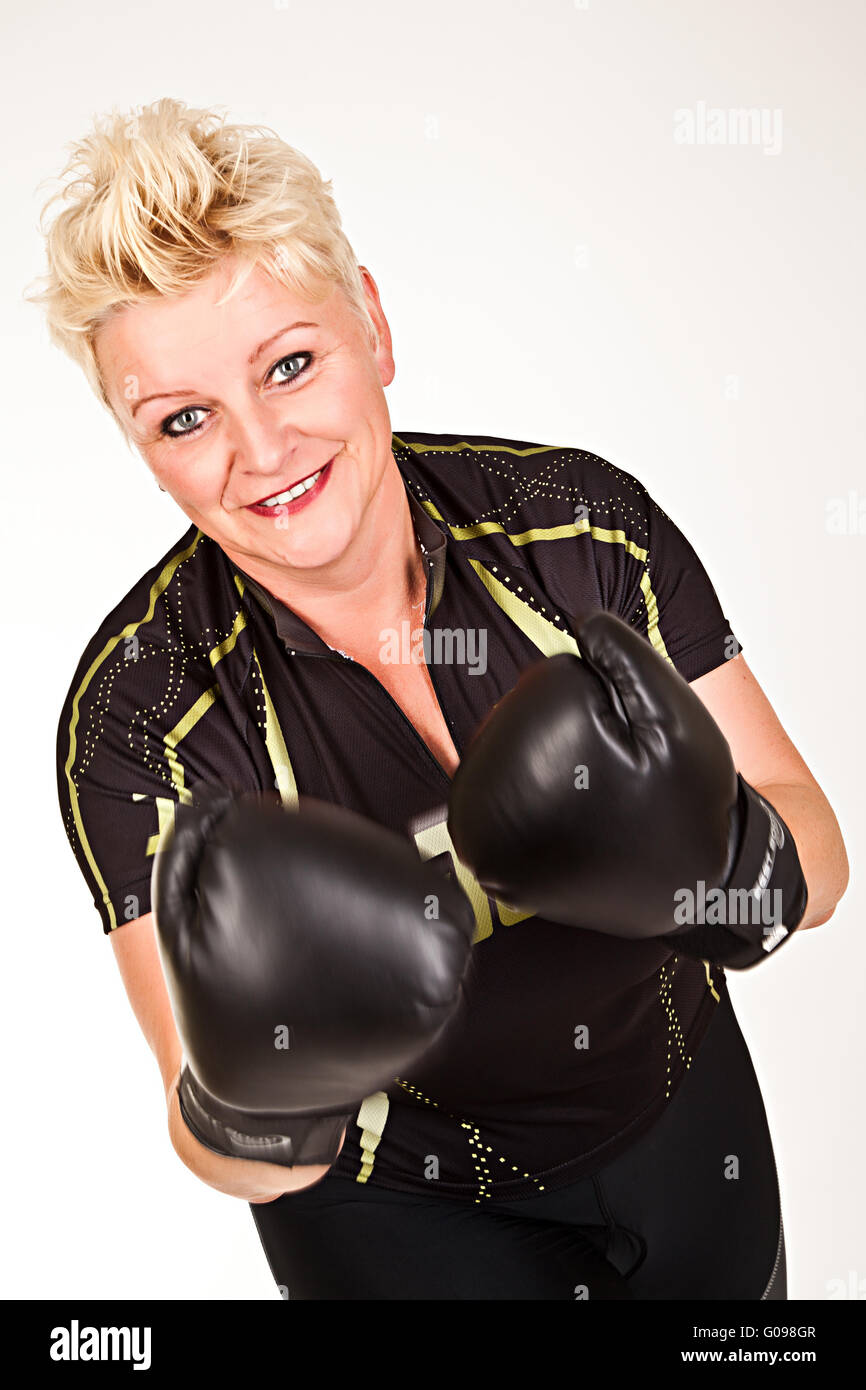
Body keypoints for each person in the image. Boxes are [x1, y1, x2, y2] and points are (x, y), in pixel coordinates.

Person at [39, 97, 848, 1300]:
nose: (260, 450)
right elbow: (203, 1135)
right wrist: (266, 1081)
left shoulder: (579, 531)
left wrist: (722, 858)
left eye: (290, 363)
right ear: (136, 441)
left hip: (682, 1121)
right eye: (187, 418)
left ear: (371, 319)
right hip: (397, 1218)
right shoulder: (139, 714)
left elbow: (819, 854)